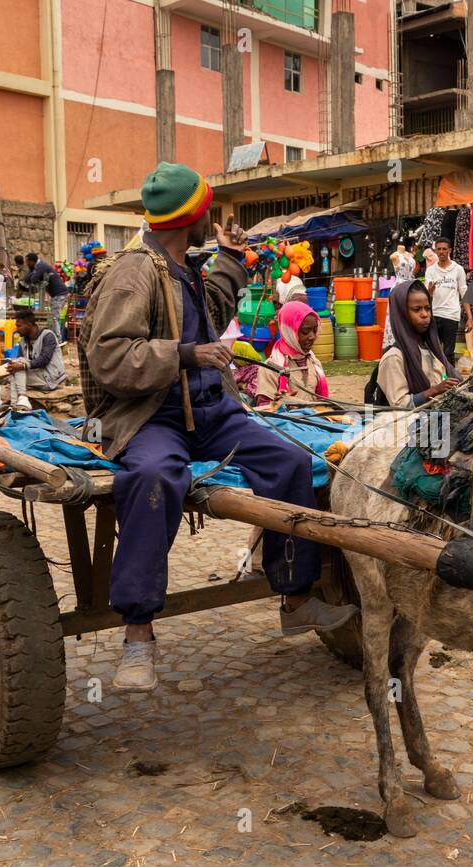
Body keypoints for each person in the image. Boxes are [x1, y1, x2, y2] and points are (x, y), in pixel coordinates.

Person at [83, 162, 356, 692]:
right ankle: (138, 633)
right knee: (155, 478)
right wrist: (185, 355)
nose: (216, 218)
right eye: (211, 209)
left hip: (213, 412)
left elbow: (210, 307)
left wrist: (231, 257)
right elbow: (109, 355)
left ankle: (296, 597)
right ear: (195, 213)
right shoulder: (134, 271)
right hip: (151, 416)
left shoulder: (182, 263)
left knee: (291, 463)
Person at [372, 280, 458, 408]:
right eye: (417, 309)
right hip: (409, 425)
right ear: (402, 314)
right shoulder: (394, 357)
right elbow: (400, 404)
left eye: (427, 308)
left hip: (439, 420)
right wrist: (434, 390)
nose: (424, 314)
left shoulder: (432, 349)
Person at [255, 301, 327, 406]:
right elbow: (264, 410)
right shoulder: (270, 368)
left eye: (315, 330)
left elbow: (322, 403)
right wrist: (279, 405)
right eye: (305, 331)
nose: (312, 337)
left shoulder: (314, 364)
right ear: (289, 331)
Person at [6, 306, 67, 410]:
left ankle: (20, 399)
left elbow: (44, 359)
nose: (17, 329)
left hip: (50, 378)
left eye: (19, 326)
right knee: (15, 368)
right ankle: (15, 405)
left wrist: (23, 365)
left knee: (18, 366)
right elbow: (20, 361)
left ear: (29, 325)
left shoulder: (48, 336)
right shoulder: (23, 341)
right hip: (38, 375)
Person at [425, 237, 469, 364]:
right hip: (435, 315)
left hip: (451, 315)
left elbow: (464, 293)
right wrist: (430, 290)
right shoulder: (431, 270)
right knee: (433, 351)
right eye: (438, 249)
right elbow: (427, 294)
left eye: (444, 249)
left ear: (449, 250)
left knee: (448, 352)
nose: (441, 252)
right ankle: (435, 380)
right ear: (435, 251)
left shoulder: (458, 269)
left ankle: (451, 381)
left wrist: (470, 318)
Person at [21, 251, 69, 338]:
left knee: (55, 317)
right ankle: (55, 336)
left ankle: (58, 339)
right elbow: (27, 279)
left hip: (60, 294)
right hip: (55, 295)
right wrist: (31, 271)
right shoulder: (37, 267)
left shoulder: (41, 266)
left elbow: (33, 279)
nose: (26, 264)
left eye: (27, 262)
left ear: (32, 261)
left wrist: (32, 274)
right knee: (53, 317)